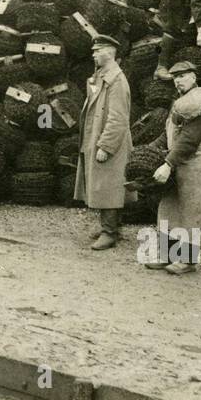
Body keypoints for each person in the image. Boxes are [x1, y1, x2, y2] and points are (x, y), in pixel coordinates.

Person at [147, 61, 201, 275]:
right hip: (178, 159)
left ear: (194, 77)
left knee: (193, 210)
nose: (178, 80)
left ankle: (188, 260)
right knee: (169, 207)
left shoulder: (200, 102)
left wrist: (167, 163)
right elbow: (170, 133)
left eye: (183, 75)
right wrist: (150, 149)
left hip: (196, 160)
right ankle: (168, 255)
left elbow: (190, 139)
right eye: (175, 77)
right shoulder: (182, 102)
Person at [74, 35, 134, 251]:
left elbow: (118, 118)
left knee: (108, 185)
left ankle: (110, 233)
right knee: (102, 183)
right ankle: (111, 227)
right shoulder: (102, 76)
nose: (93, 54)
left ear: (109, 53)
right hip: (97, 137)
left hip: (110, 141)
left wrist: (105, 146)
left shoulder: (116, 80)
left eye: (97, 51)